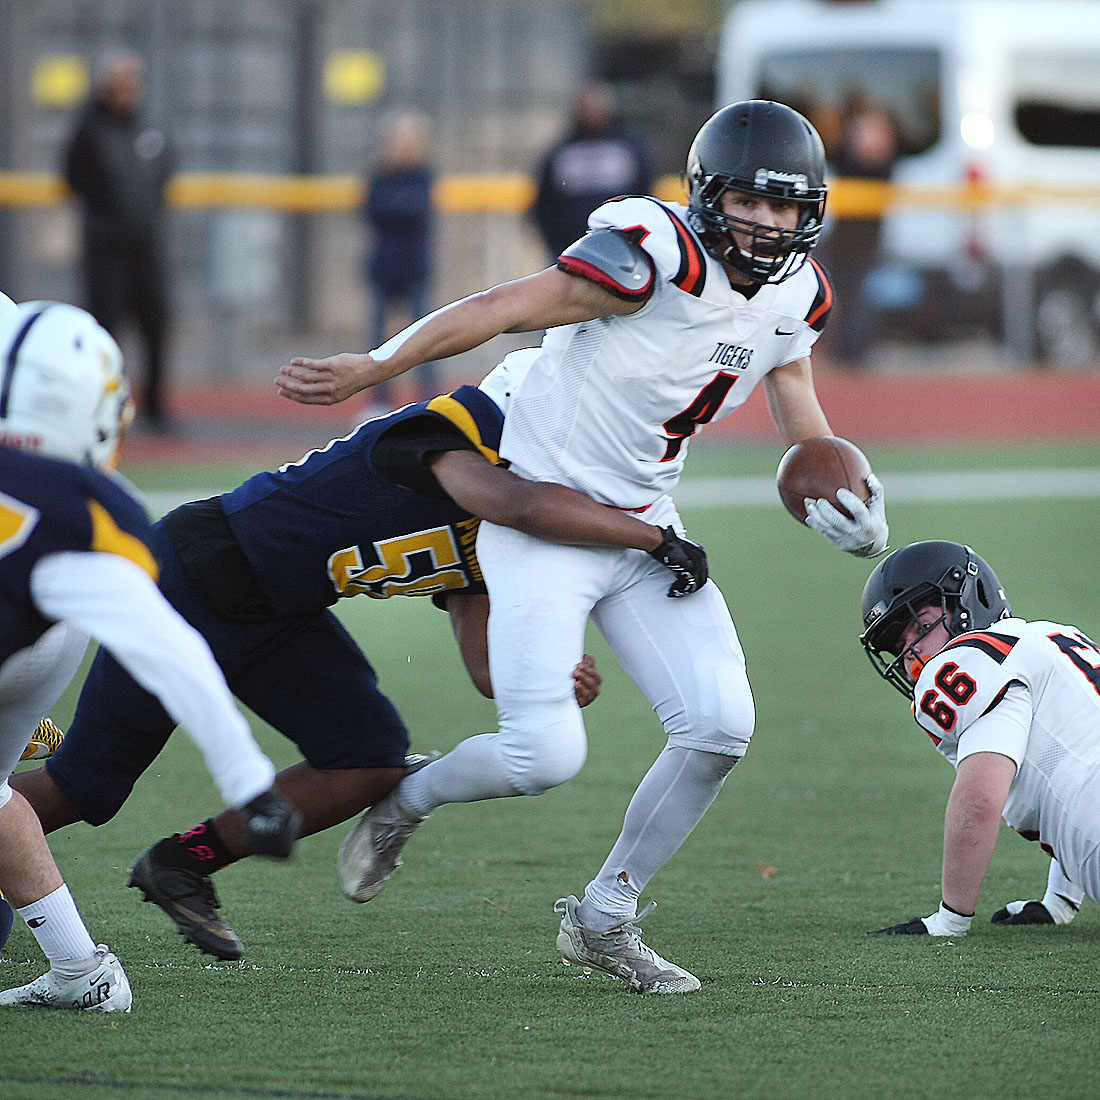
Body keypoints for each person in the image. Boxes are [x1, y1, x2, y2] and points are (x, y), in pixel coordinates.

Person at [275, 99, 891, 995]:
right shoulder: (651, 252)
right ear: (707, 195)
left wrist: (852, 496)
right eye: (750, 202)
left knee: (721, 725)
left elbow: (796, 403)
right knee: (543, 758)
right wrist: (375, 367)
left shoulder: (800, 294)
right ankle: (408, 797)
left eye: (786, 206)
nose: (767, 222)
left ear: (812, 211)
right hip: (543, 513)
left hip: (646, 520)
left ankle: (605, 917)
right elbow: (501, 306)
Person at [12, 350, 707, 962]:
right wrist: (648, 537)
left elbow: (487, 668)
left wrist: (549, 673)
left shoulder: (518, 522)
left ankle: (181, 862)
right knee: (87, 785)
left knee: (370, 755)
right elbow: (510, 500)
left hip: (283, 611)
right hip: (199, 573)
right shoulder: (460, 434)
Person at [0, 301, 298, 1012]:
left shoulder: (67, 511)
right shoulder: (90, 509)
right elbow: (170, 653)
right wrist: (248, 779)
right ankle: (77, 967)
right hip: (50, 641)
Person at [858, 540, 1098, 937]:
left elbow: (979, 797)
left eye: (922, 623)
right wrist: (1060, 900)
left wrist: (951, 919)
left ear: (969, 599)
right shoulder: (1050, 637)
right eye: (900, 645)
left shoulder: (972, 661)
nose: (912, 651)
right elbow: (1071, 762)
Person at [62, 50, 174, 428]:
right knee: (106, 331)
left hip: (147, 244)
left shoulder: (149, 128)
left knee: (155, 323)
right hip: (106, 247)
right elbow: (72, 176)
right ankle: (105, 410)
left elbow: (167, 169)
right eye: (120, 85)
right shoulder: (89, 128)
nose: (127, 93)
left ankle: (156, 410)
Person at [814, 91, 900, 368]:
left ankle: (855, 354)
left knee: (862, 300)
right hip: (839, 241)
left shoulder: (884, 167)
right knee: (833, 296)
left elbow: (878, 162)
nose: (866, 138)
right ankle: (838, 353)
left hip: (868, 243)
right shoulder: (843, 160)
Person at [361, 112, 439, 410]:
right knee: (379, 341)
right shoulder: (379, 175)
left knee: (426, 337)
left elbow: (415, 211)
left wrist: (394, 207)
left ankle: (429, 401)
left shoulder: (423, 175)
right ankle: (378, 401)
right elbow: (371, 211)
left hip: (415, 268)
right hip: (383, 267)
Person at [531, 79, 655, 262]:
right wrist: (555, 242)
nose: (592, 112)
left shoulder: (629, 148)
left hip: (622, 250)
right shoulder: (561, 151)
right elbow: (544, 202)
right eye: (586, 106)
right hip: (570, 249)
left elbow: (644, 194)